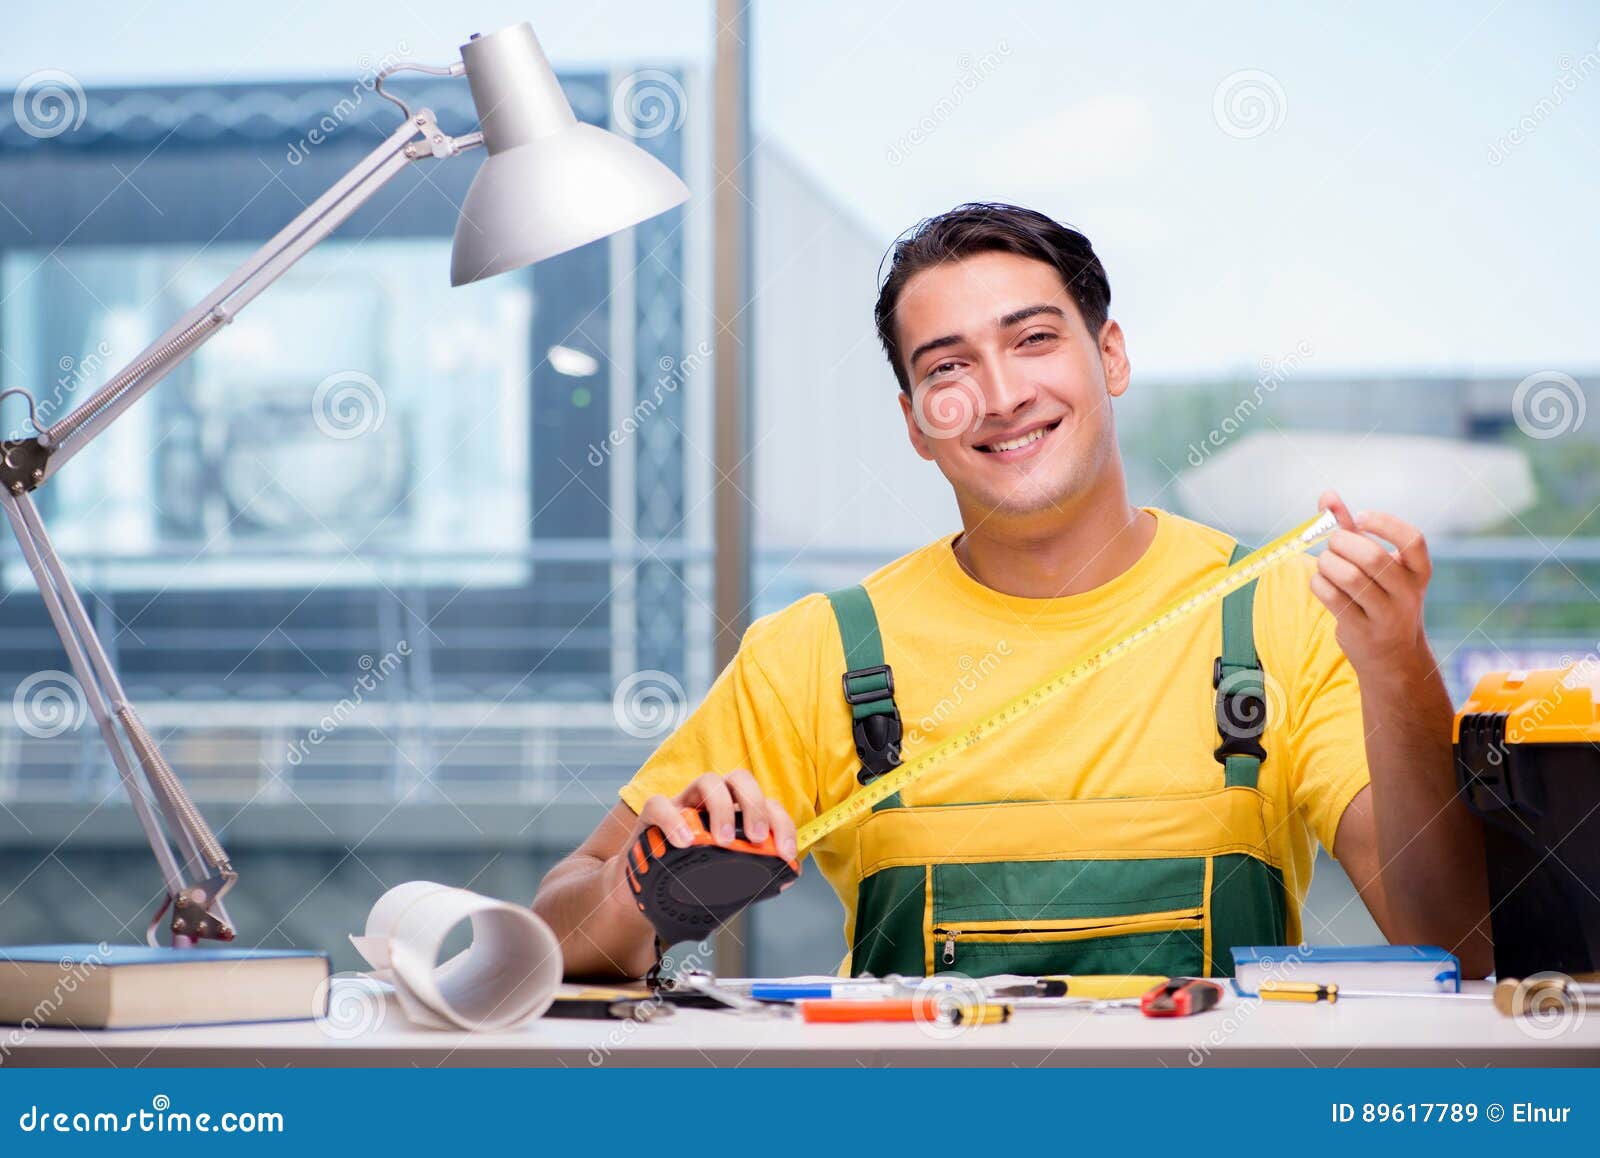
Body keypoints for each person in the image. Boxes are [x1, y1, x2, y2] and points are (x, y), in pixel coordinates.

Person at [532, 202, 1492, 981]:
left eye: (1033, 340)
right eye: (948, 367)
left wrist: (1398, 663)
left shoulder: (1279, 617)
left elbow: (1462, 942)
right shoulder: (820, 651)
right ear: (915, 423)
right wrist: (644, 892)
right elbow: (556, 939)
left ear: (1109, 356)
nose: (999, 396)